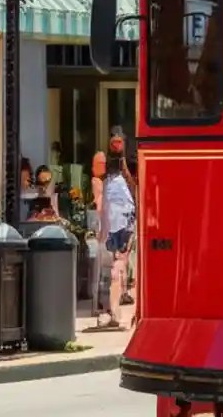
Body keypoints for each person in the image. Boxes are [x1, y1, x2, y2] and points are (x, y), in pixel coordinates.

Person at [92, 127, 136, 329]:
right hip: (118, 223)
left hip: (118, 223)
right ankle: (112, 310)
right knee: (115, 269)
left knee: (115, 268)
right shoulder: (113, 177)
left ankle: (112, 310)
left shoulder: (115, 176)